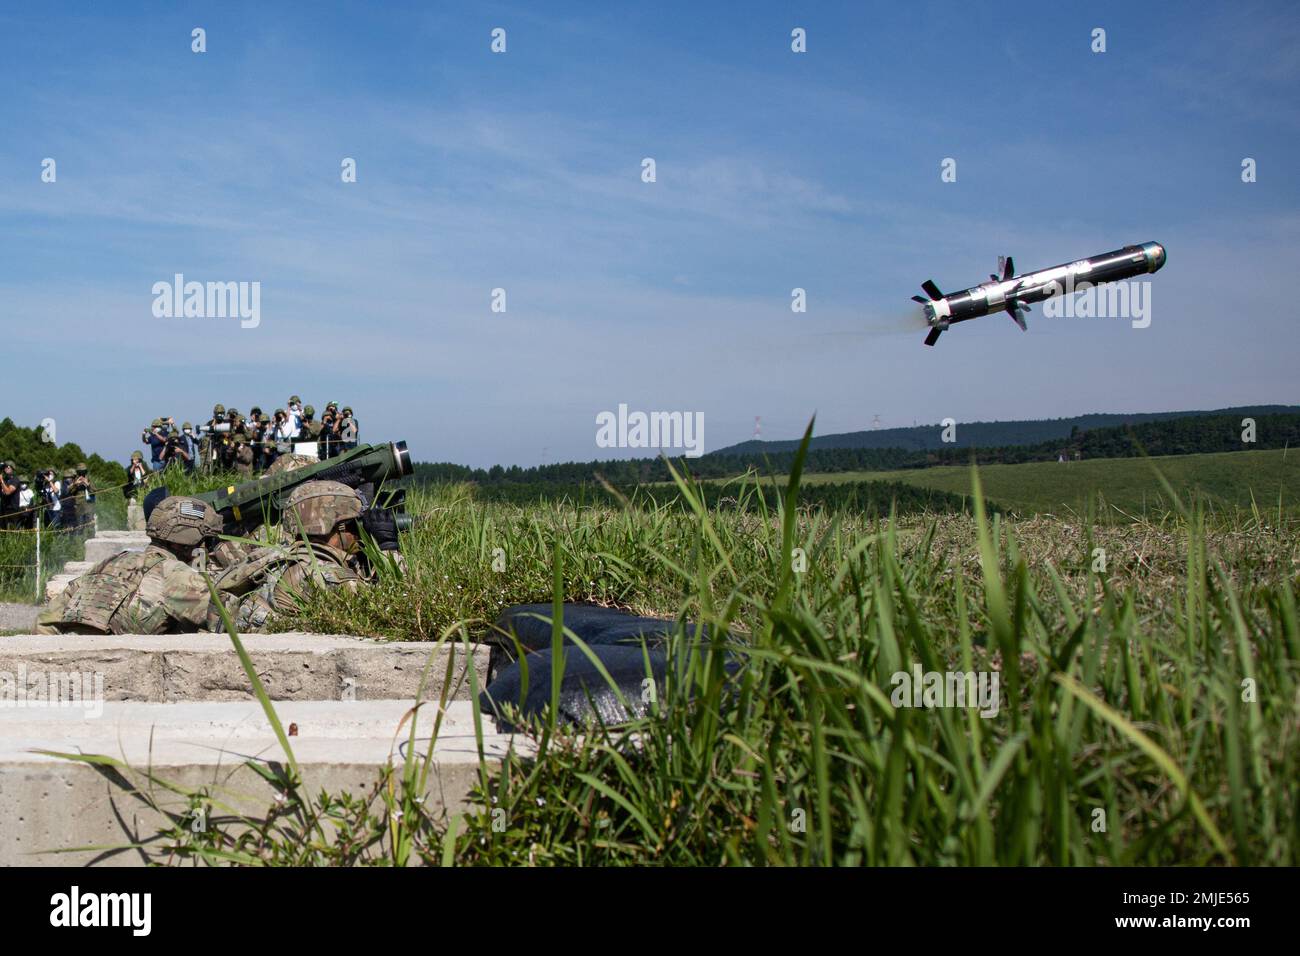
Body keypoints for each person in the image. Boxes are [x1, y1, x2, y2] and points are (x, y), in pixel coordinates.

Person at [36, 496, 226, 635]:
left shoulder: (110, 562)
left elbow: (44, 623)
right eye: (206, 542)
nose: (208, 550)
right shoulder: (176, 574)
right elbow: (226, 622)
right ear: (182, 543)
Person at [214, 480, 369, 631]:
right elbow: (377, 610)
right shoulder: (319, 574)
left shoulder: (277, 558)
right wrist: (387, 549)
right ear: (337, 527)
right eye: (354, 524)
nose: (359, 532)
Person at [0, 462, 18, 529]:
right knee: (3, 529)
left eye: (8, 467)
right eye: (5, 467)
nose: (6, 468)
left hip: (12, 509)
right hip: (3, 508)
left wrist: (1, 481)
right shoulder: (4, 480)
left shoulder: (15, 480)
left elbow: (8, 492)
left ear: (12, 469)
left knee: (11, 530)